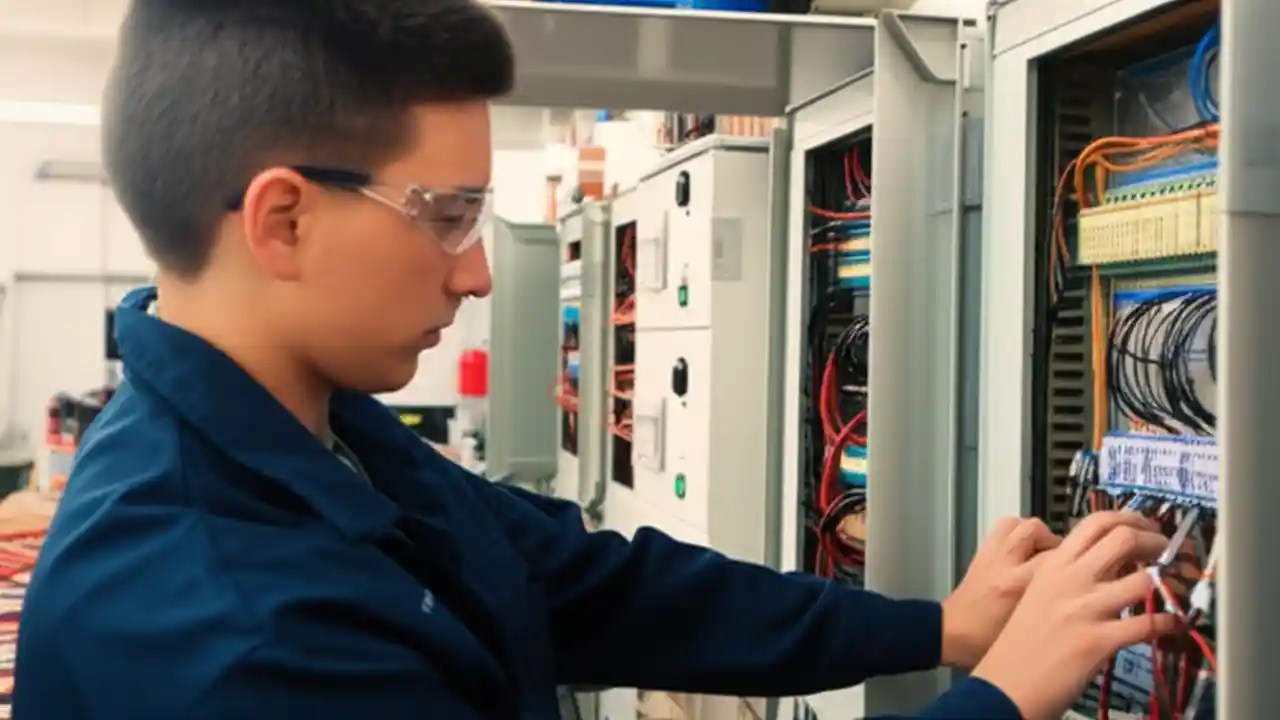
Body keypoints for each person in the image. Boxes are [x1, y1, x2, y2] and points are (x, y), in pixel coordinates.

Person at [14, 1, 1177, 718]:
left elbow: (598, 587)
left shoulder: (318, 440)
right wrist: (999, 700)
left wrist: (938, 631)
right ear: (282, 221)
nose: (476, 274)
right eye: (447, 213)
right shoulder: (232, 640)